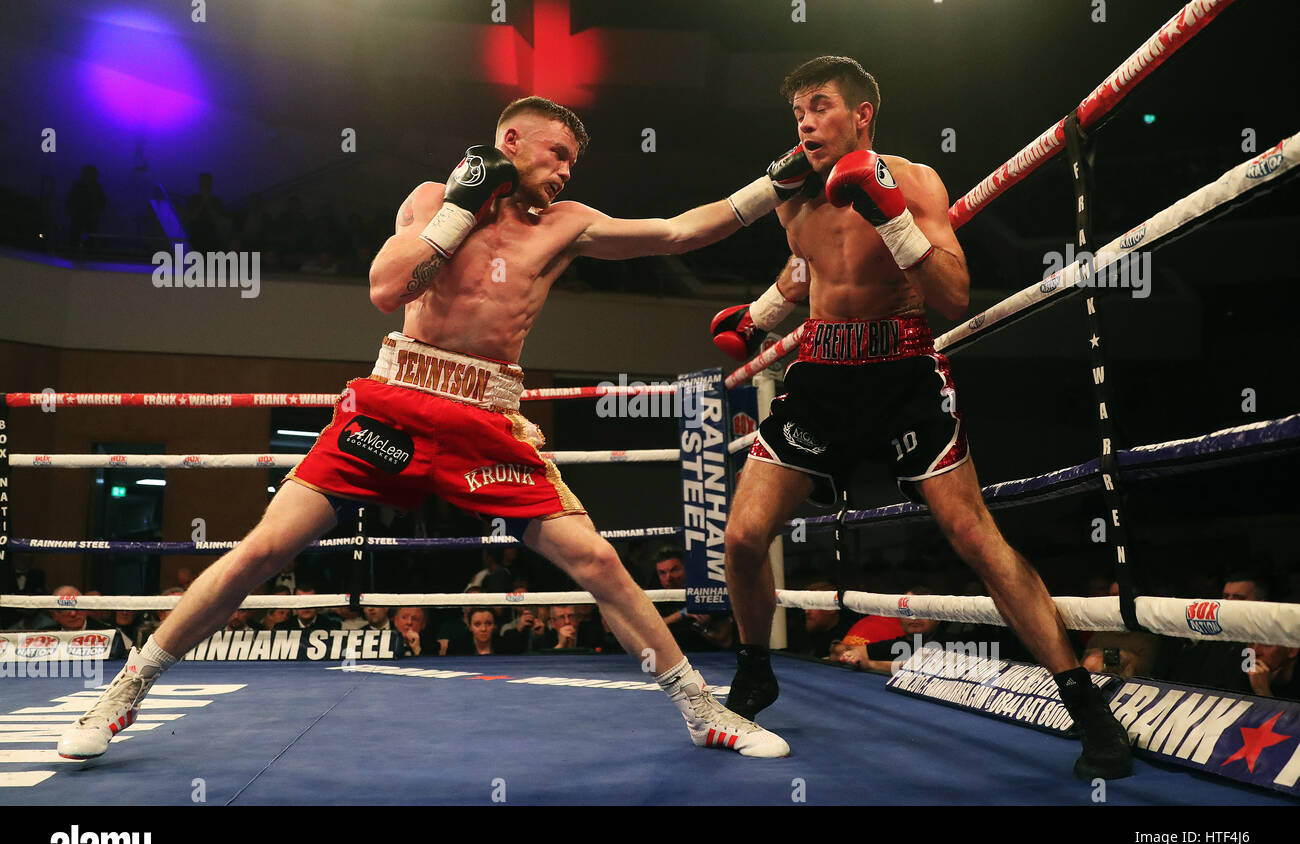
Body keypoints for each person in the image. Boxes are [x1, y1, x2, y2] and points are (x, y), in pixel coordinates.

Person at [59, 95, 808, 761]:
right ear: (511, 141)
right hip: (393, 406)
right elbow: (388, 289)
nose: (568, 172)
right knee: (262, 548)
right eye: (558, 153)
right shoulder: (431, 198)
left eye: (574, 161)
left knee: (600, 563)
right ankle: (123, 691)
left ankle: (701, 708)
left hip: (487, 421)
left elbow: (677, 233)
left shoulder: (569, 226)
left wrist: (775, 180)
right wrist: (460, 206)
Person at [711, 56, 1131, 779]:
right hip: (819, 376)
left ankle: (1086, 707)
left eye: (820, 106)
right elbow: (811, 266)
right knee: (744, 537)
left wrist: (889, 212)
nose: (806, 122)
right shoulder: (793, 192)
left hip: (903, 370)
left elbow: (955, 292)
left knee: (976, 537)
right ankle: (755, 666)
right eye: (798, 113)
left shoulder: (914, 181)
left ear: (862, 114)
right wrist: (758, 318)